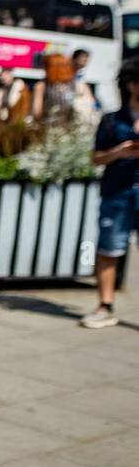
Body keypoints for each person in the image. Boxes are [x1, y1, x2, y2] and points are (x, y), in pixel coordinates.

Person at [81, 58, 139, 328]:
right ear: (131, 85)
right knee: (108, 249)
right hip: (117, 192)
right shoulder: (112, 120)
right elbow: (95, 159)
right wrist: (119, 152)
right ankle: (105, 306)